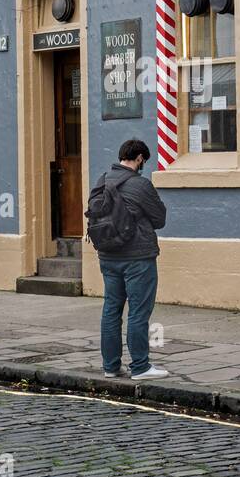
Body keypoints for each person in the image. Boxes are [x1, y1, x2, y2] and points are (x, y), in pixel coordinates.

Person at [89, 139, 169, 380]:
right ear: (140, 158)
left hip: (108, 256)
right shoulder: (140, 184)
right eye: (144, 160)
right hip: (138, 257)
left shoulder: (102, 180)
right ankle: (141, 367)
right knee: (138, 312)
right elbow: (160, 219)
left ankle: (111, 366)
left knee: (111, 310)